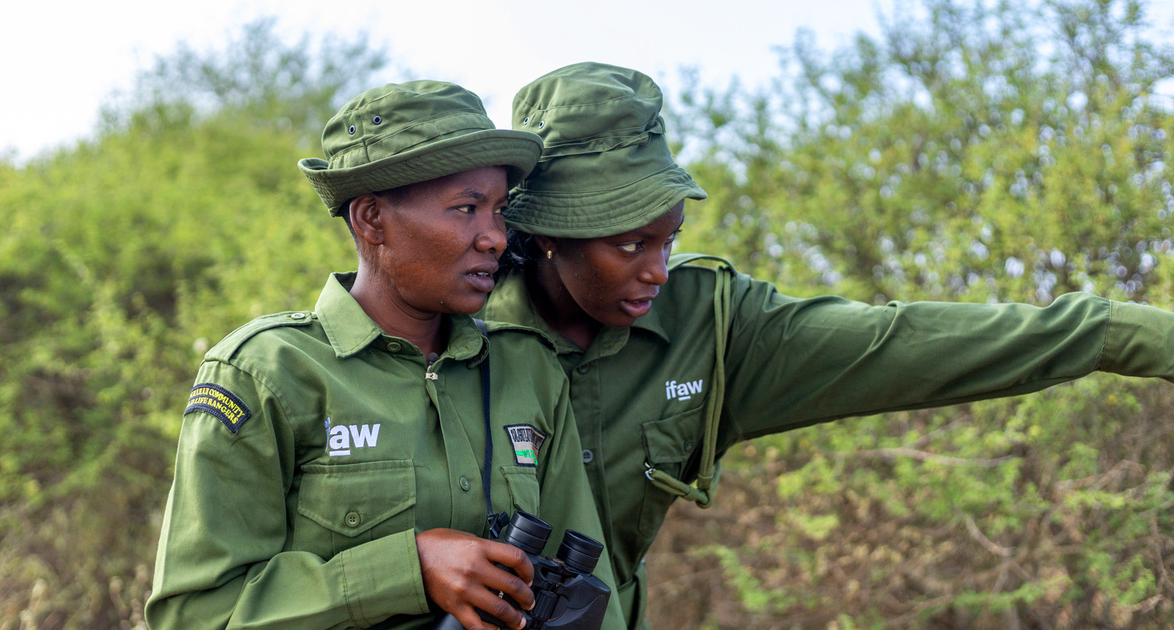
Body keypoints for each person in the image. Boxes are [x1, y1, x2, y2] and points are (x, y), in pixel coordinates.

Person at [478, 62, 1174, 630]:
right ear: (547, 234)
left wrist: (1129, 336)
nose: (657, 270)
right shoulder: (456, 336)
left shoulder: (714, 332)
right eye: (629, 244)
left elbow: (907, 343)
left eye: (670, 240)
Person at [146, 80, 626, 630]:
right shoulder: (268, 373)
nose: (494, 237)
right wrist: (408, 568)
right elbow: (196, 614)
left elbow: (591, 597)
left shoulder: (527, 370)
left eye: (498, 211)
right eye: (466, 208)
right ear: (372, 219)